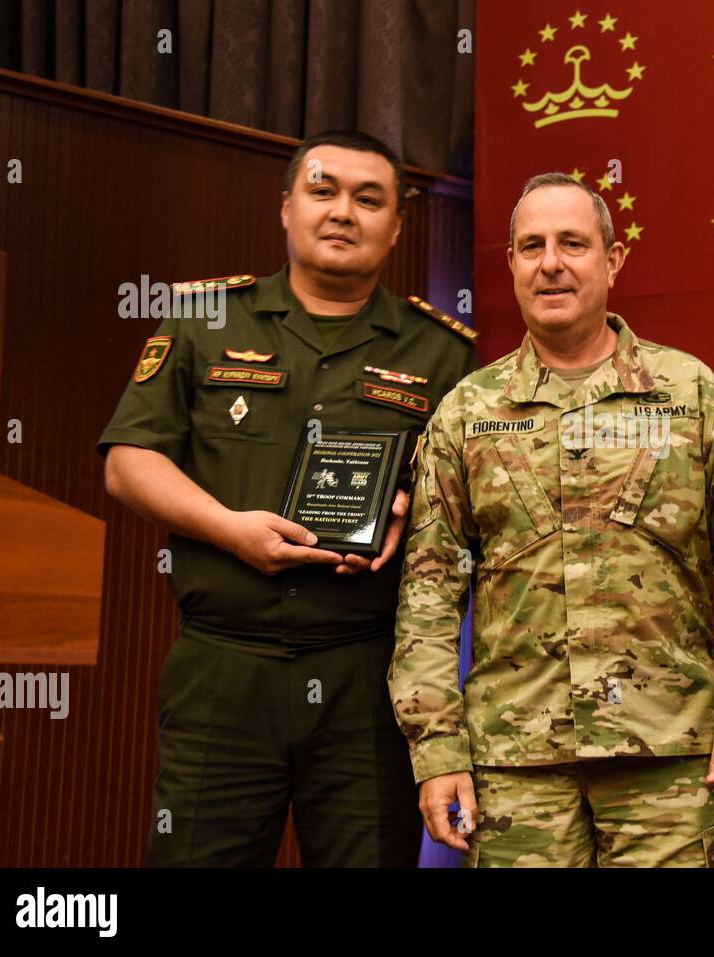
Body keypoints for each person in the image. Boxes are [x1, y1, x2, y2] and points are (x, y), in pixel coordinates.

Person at [388, 172, 714, 867]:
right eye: (532, 246)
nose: (551, 262)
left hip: (673, 764)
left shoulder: (692, 395)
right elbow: (428, 599)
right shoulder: (467, 412)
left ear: (613, 261)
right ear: (513, 266)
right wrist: (435, 748)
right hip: (516, 772)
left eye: (573, 243)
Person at [99, 130, 478, 866]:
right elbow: (129, 460)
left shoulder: (443, 353)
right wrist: (228, 528)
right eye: (323, 190)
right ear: (285, 208)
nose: (344, 212)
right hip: (222, 668)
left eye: (369, 199)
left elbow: (463, 506)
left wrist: (412, 509)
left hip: (367, 674)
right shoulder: (204, 317)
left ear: (397, 224)